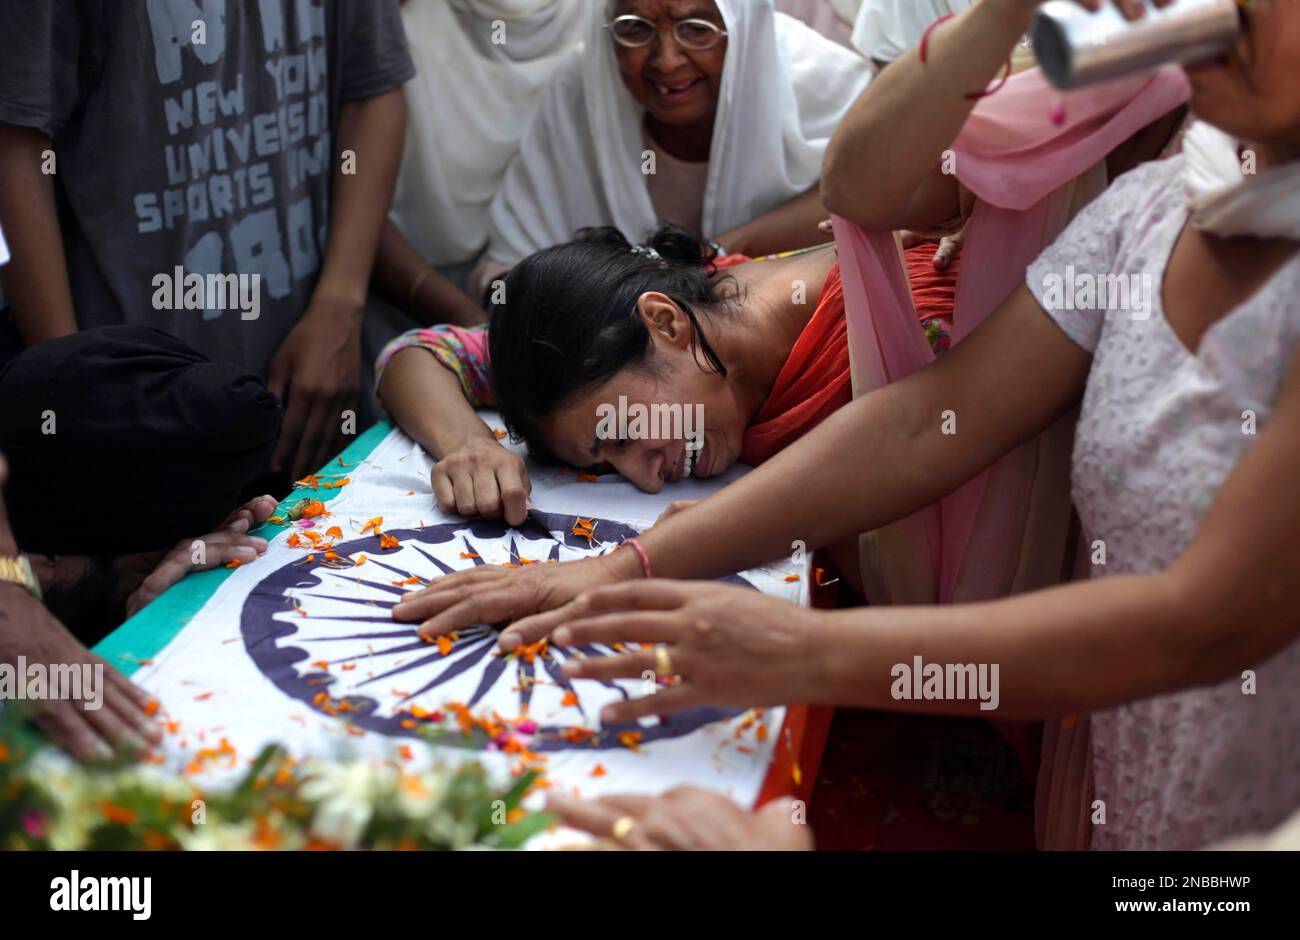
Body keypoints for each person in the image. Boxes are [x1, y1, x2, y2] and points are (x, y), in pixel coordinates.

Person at [391, 0, 1300, 850]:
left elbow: (1202, 623)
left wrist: (803, 649)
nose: (1205, 19)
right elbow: (928, 421)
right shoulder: (1153, 212)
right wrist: (629, 564)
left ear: (666, 321)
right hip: (1121, 769)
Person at [0, 1, 415, 483]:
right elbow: (16, 138)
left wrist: (340, 305)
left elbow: (373, 90)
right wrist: (75, 395)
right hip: (138, 417)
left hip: (315, 396)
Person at [474, 0, 872, 296]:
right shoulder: (581, 90)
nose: (666, 60)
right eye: (635, 29)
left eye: (696, 29)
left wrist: (721, 249)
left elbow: (880, 189)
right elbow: (512, 263)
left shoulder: (821, 82)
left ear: (740, 25)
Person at [372, 0, 583, 328]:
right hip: (402, 302)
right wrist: (470, 323)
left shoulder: (615, 24)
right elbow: (352, 196)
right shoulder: (399, 19)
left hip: (565, 321)